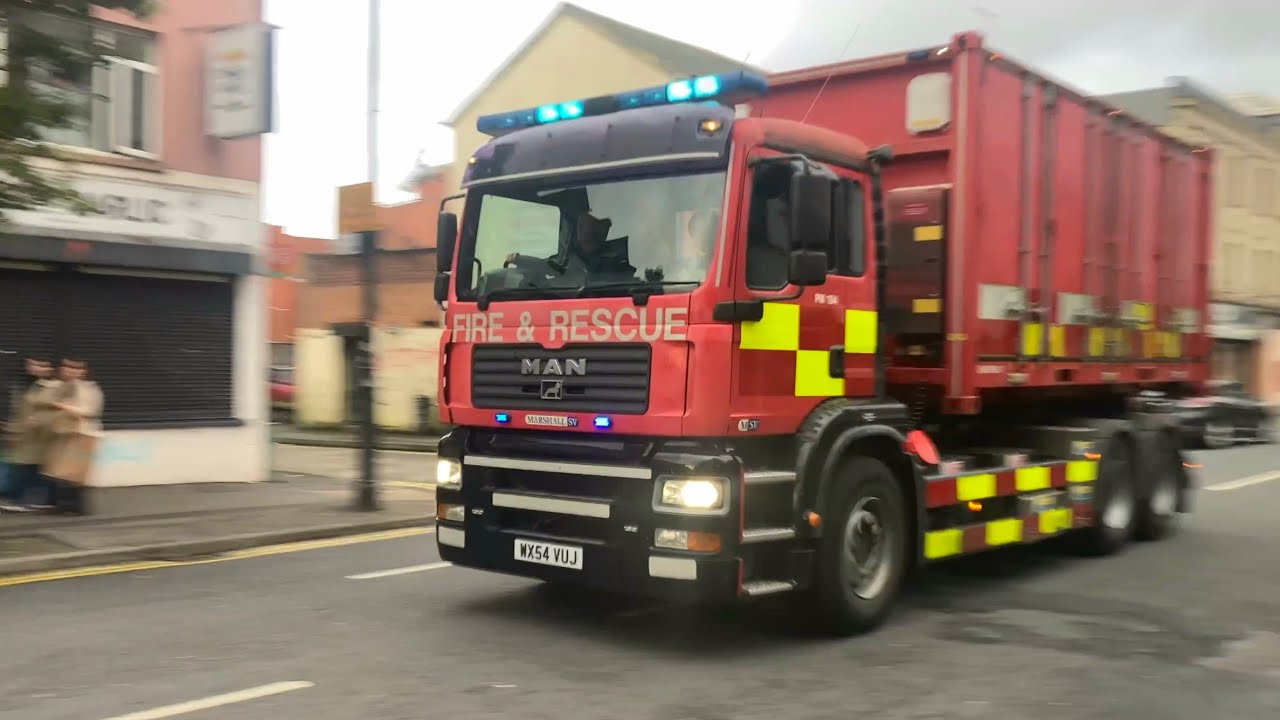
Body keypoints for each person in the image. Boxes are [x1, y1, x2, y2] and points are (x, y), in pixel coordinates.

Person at [1, 357, 62, 512]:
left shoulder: (55, 387)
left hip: (41, 435)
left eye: (38, 365)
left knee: (34, 468)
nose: (33, 367)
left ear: (49, 368)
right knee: (28, 467)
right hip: (27, 434)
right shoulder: (33, 384)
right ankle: (30, 499)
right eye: (31, 364)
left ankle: (32, 501)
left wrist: (36, 423)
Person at [46, 357, 103, 515]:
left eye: (75, 368)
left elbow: (89, 411)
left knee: (75, 474)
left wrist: (65, 407)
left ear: (83, 371)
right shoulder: (65, 386)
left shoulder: (89, 389)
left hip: (83, 433)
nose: (70, 371)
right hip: (66, 433)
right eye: (67, 368)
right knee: (62, 472)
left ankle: (78, 508)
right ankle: (64, 505)